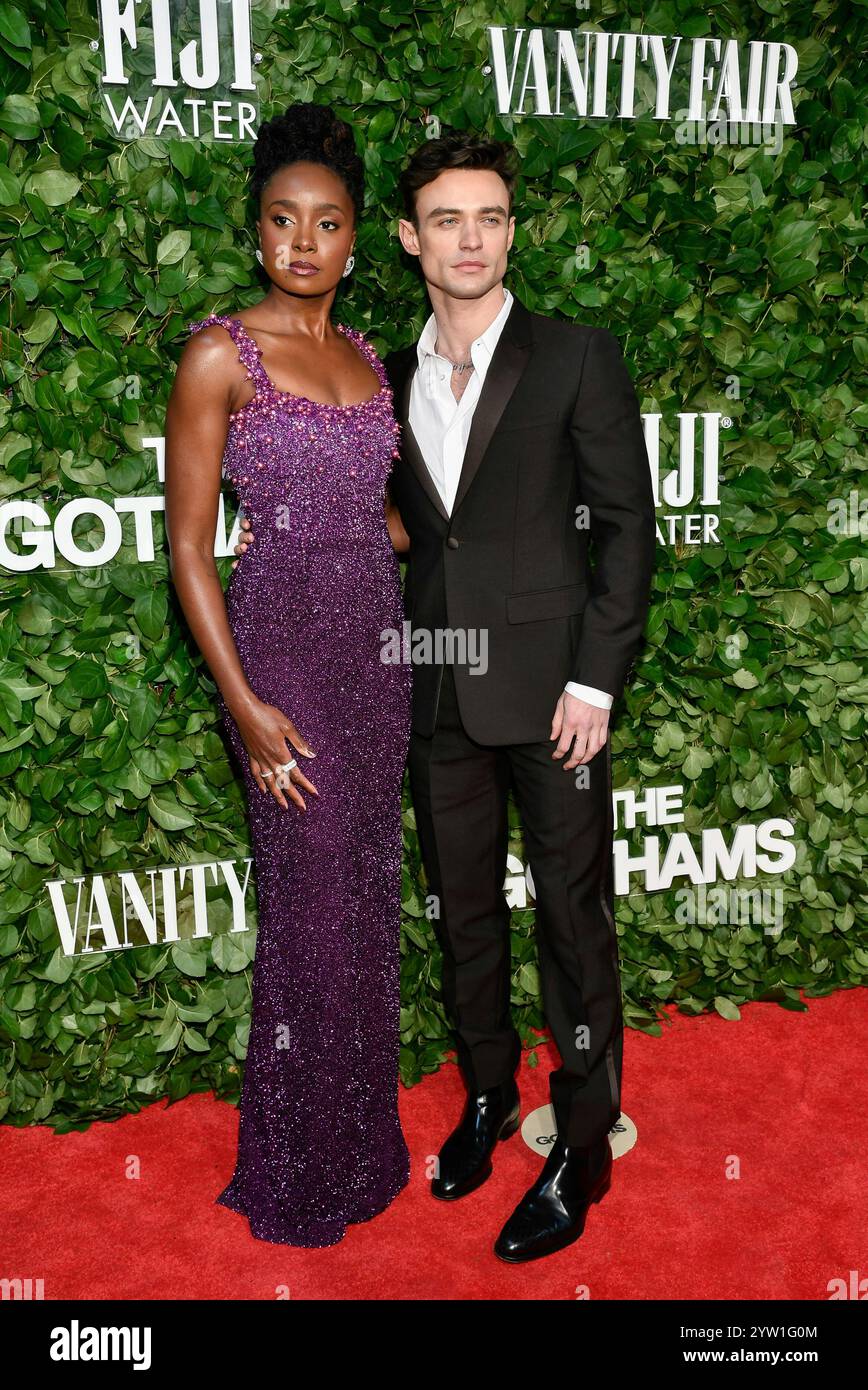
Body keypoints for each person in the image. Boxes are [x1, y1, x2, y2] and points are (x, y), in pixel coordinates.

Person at [234, 132, 657, 1262]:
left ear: (510, 230)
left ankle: (579, 1143)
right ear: (412, 240)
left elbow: (626, 531)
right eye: (448, 221)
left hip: (557, 701)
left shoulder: (576, 355)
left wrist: (593, 680)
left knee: (572, 924)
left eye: (492, 218)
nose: (472, 239)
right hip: (425, 693)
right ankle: (481, 1096)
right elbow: (405, 527)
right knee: (462, 914)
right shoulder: (387, 375)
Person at [163, 102, 412, 1247]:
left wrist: (365, 534)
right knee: (309, 915)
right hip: (284, 670)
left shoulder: (365, 356)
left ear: (356, 240)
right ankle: (299, 1166)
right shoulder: (221, 352)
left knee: (360, 910)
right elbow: (187, 547)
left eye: (326, 223)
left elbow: (382, 517)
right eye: (280, 219)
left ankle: (362, 1145)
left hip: (376, 659)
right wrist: (245, 706)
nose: (302, 241)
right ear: (255, 231)